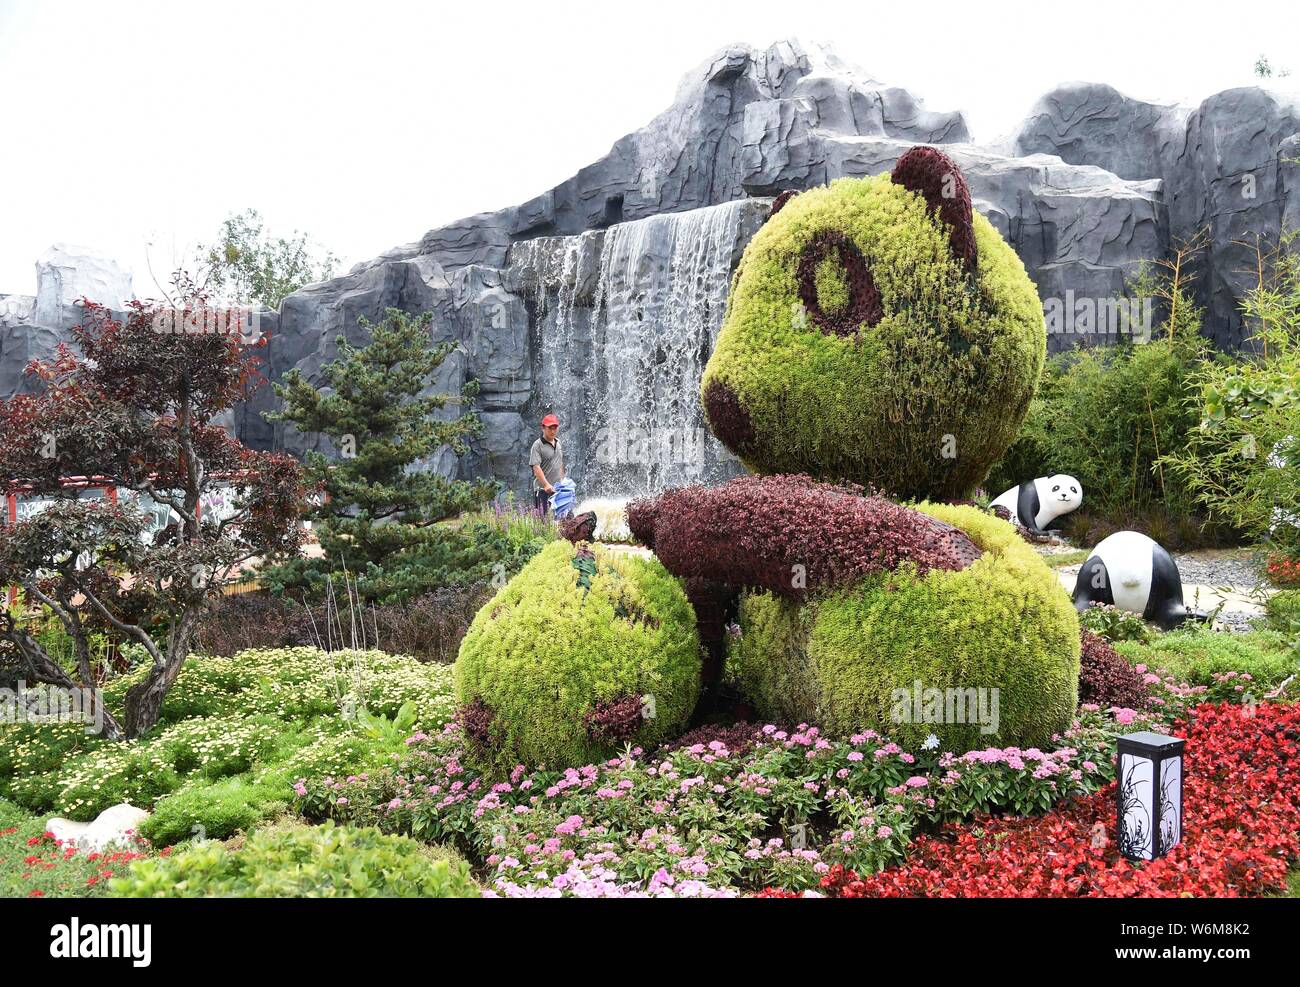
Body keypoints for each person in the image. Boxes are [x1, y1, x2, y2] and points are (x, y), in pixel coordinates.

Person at [529, 413, 565, 514]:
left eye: (555, 428)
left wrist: (562, 481)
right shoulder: (537, 445)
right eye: (550, 428)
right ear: (543, 428)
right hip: (543, 490)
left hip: (558, 489)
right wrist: (546, 485)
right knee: (542, 521)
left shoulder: (558, 442)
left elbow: (559, 462)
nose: (553, 431)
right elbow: (536, 467)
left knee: (566, 518)